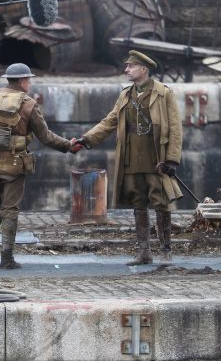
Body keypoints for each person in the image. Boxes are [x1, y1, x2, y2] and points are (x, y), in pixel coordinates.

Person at [0, 63, 77, 270]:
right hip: (14, 165)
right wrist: (68, 146)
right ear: (22, 81)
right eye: (29, 80)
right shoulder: (29, 105)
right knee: (9, 210)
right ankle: (6, 259)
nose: (29, 84)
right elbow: (46, 137)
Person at [74, 50, 183, 265]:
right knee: (138, 203)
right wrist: (86, 139)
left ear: (143, 69)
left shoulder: (164, 93)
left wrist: (172, 159)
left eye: (130, 67)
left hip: (156, 158)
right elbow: (109, 121)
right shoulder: (125, 95)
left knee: (161, 203)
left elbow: (175, 128)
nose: (126, 70)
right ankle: (144, 252)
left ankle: (166, 251)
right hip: (131, 156)